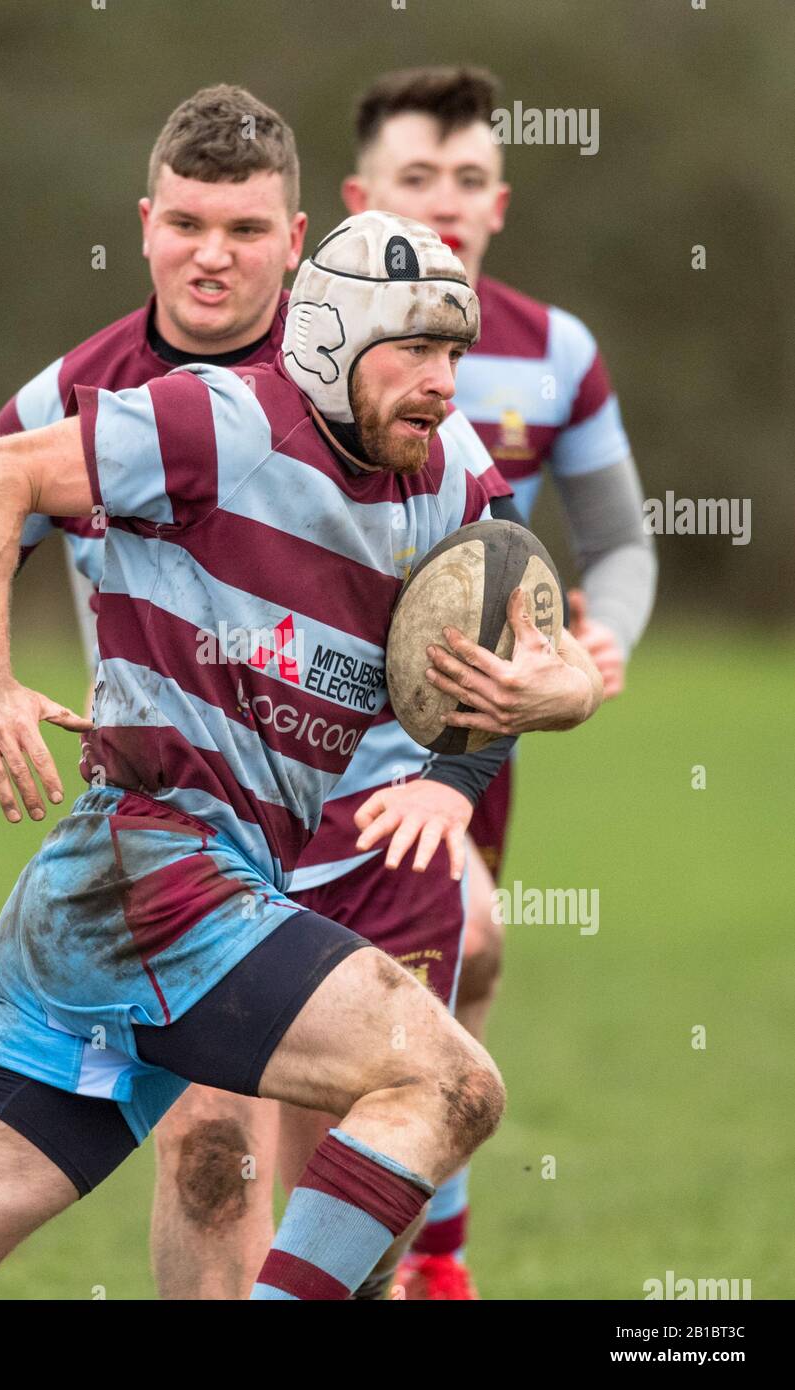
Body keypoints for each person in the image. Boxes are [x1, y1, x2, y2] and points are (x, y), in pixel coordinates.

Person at [0, 210, 603, 1301]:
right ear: (330, 338)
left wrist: (550, 691)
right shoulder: (218, 420)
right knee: (448, 1084)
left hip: (111, 916)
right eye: (414, 349)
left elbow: (551, 647)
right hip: (154, 876)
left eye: (454, 353)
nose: (441, 380)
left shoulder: (442, 471)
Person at [0, 86, 530, 1300]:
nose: (212, 255)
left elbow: (494, 613)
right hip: (191, 839)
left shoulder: (395, 398)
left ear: (297, 243)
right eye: (186, 225)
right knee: (214, 1155)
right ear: (144, 226)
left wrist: (478, 751)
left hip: (368, 836)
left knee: (381, 1177)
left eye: (244, 230)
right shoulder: (83, 393)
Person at [336, 65, 657, 1297]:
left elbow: (620, 541)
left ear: (501, 204)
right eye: (419, 179)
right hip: (316, 724)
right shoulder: (317, 348)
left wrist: (607, 629)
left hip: (473, 721)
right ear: (364, 196)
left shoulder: (551, 352)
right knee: (446, 942)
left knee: (447, 963)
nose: (446, 203)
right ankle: (401, 1257)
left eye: (469, 181)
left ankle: (426, 1249)